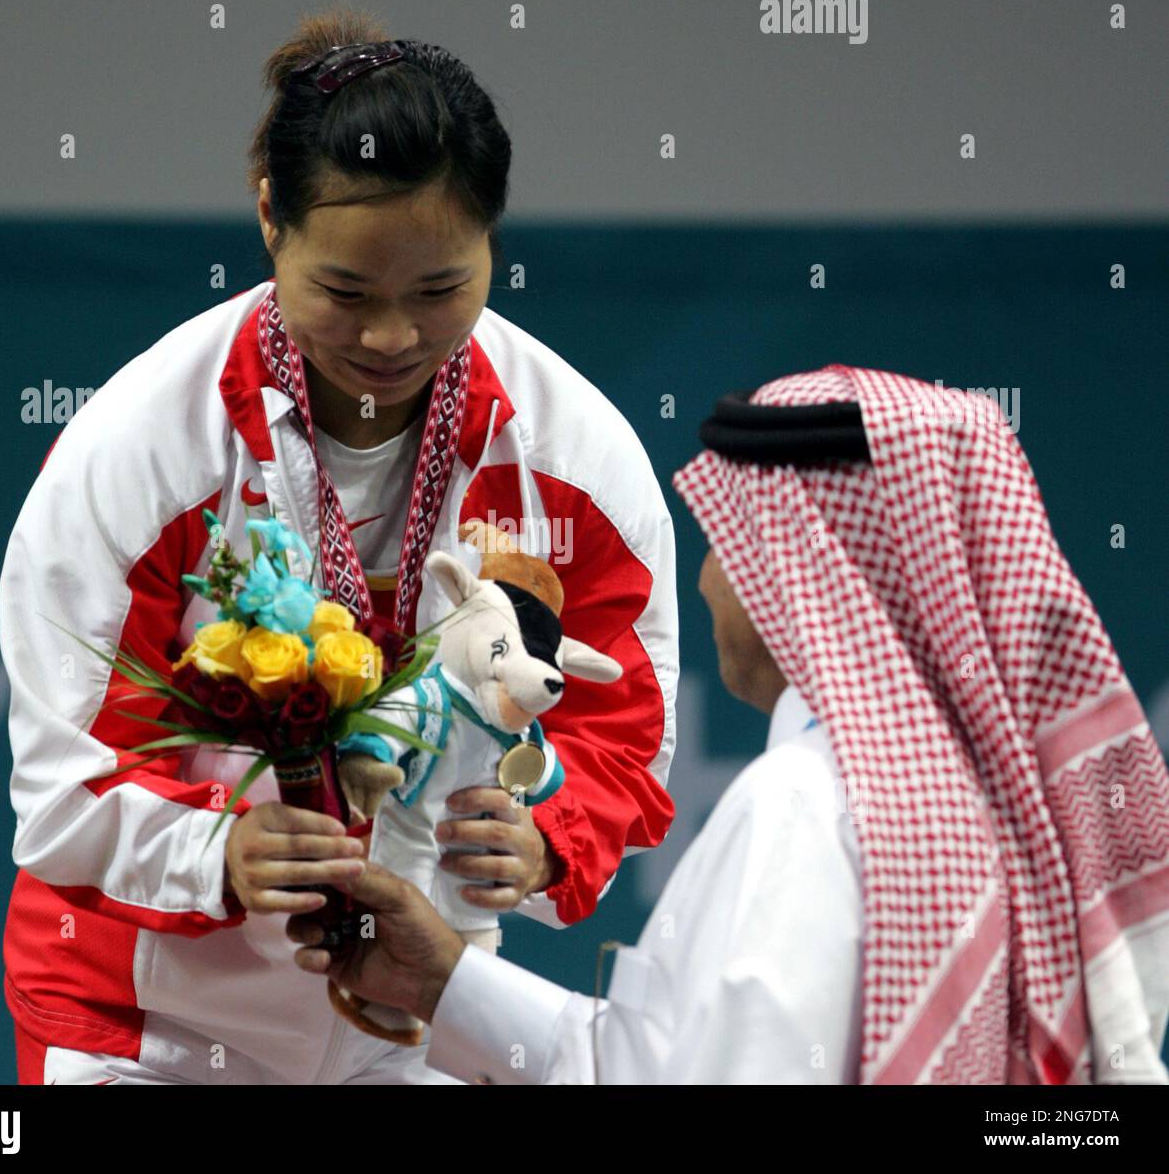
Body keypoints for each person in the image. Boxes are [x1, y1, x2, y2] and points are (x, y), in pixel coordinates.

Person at [0, 9, 678, 1085]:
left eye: (442, 289)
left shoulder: (576, 459)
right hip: (140, 1025)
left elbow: (623, 740)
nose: (392, 337)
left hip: (418, 1018)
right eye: (346, 292)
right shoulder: (140, 450)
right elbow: (64, 781)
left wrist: (543, 833)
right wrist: (218, 849)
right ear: (270, 218)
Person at [289, 365, 1169, 1085]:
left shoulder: (803, 807)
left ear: (797, 572)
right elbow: (673, 1066)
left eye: (729, 540)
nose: (711, 581)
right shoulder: (1021, 820)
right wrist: (442, 978)